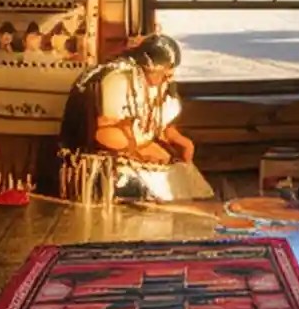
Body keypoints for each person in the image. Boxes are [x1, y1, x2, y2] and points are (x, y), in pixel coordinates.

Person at [58, 34, 213, 202]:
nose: (169, 78)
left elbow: (163, 126)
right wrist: (135, 151)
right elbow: (103, 132)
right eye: (164, 72)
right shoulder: (117, 79)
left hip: (143, 148)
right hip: (112, 157)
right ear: (148, 67)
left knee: (183, 182)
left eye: (170, 73)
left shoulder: (163, 86)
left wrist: (179, 141)